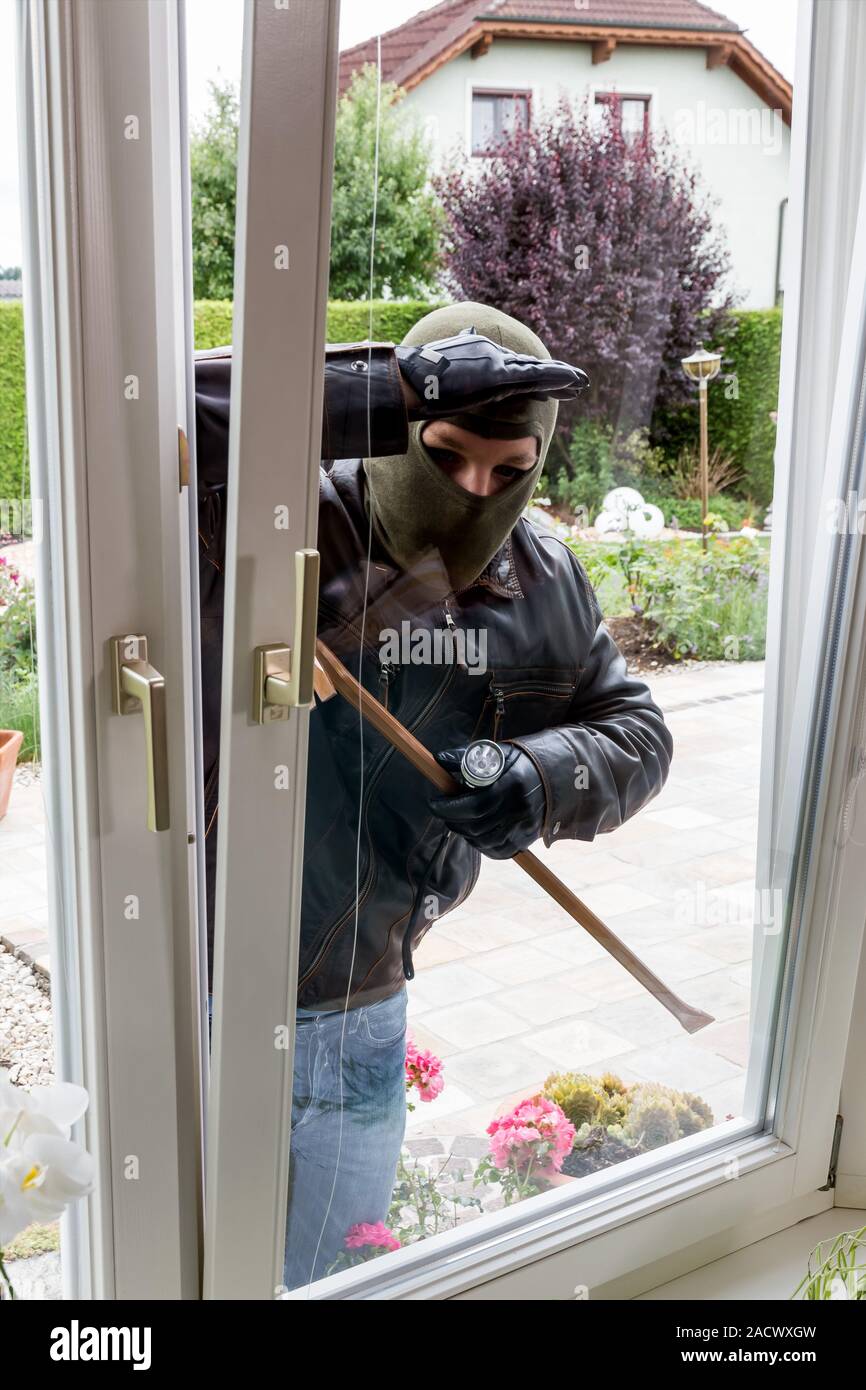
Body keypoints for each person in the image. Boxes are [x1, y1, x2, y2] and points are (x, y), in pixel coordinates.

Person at [194, 301, 674, 1290]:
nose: (472, 493)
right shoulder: (273, 514)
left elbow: (635, 731)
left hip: (359, 993)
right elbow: (160, 413)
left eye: (509, 473)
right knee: (181, 1260)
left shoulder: (543, 577)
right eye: (445, 454)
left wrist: (536, 778)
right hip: (196, 977)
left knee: (333, 1270)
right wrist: (399, 383)